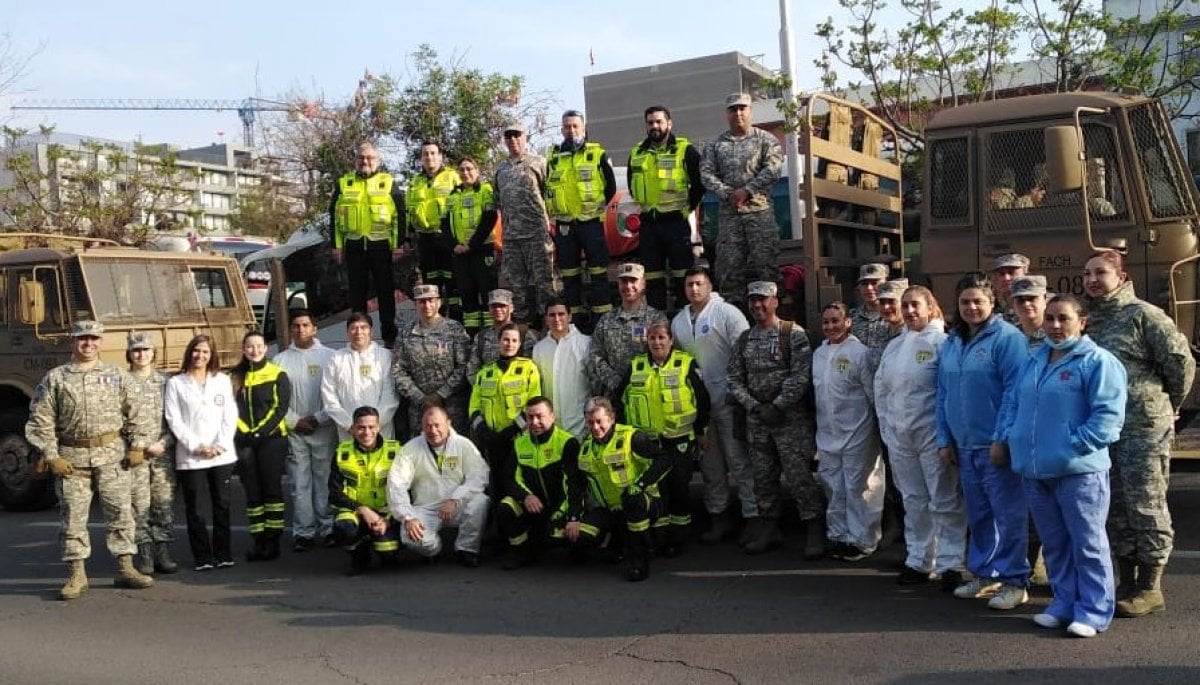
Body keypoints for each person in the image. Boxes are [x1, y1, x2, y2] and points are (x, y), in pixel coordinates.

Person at [994, 294, 1128, 638]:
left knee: (1087, 543)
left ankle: (1094, 611)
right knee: (1054, 543)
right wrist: (1009, 437)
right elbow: (1013, 401)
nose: (1054, 326)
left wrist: (1073, 446)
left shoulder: (1097, 361)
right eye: (1050, 318)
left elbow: (1108, 417)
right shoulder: (1035, 359)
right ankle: (1063, 603)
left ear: (1082, 322)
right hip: (1035, 471)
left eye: (1063, 318)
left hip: (1077, 472)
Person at [1084, 250, 1196, 617]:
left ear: (1121, 276)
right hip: (1105, 431)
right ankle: (1127, 579)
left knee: (1146, 504)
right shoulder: (1088, 321)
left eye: (1101, 273)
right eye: (1087, 275)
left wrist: (1167, 403)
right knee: (1114, 507)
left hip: (1143, 427)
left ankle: (1150, 586)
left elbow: (1180, 362)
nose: (1092, 280)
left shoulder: (1143, 316)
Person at [27, 321, 154, 599]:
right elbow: (40, 420)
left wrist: (138, 446)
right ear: (73, 341)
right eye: (83, 339)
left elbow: (137, 411)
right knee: (73, 517)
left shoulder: (117, 375)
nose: (88, 344)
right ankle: (76, 574)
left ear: (101, 342)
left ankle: (125, 568)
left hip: (112, 456)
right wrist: (51, 456)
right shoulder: (56, 378)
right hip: (72, 460)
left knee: (121, 513)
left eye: (93, 339)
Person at [937, 273, 1030, 610]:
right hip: (964, 446)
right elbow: (943, 393)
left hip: (995, 446)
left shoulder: (1007, 340)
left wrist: (1001, 438)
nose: (972, 307)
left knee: (1008, 515)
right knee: (978, 515)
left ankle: (1015, 581)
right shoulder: (953, 342)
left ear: (993, 303)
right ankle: (985, 573)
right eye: (965, 301)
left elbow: (1014, 394)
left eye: (979, 300)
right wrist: (943, 437)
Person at [876, 286, 967, 586]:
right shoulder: (895, 346)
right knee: (913, 499)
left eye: (915, 305)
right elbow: (883, 390)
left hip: (932, 435)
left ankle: (951, 563)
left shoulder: (943, 343)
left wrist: (947, 437)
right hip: (901, 437)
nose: (909, 311)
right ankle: (918, 559)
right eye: (905, 306)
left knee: (943, 499)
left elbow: (950, 393)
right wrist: (888, 429)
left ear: (930, 307)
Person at [728, 281, 823, 558]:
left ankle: (814, 529)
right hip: (758, 421)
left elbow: (801, 375)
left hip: (789, 420)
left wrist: (779, 405)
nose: (757, 305)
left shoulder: (792, 334)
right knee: (763, 478)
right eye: (752, 301)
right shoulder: (745, 339)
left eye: (763, 300)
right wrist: (755, 407)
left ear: (775, 302)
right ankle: (769, 529)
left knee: (799, 476)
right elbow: (734, 378)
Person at [670, 265, 757, 545]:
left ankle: (753, 518)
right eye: (689, 285)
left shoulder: (727, 313)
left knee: (739, 461)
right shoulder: (679, 321)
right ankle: (719, 517)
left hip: (728, 400)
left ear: (710, 286)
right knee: (710, 464)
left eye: (699, 283)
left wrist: (739, 392)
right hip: (699, 406)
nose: (694, 289)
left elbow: (745, 350)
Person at [617, 322, 710, 557]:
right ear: (647, 341)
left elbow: (702, 399)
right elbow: (619, 400)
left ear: (670, 340)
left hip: (677, 440)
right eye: (652, 338)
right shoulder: (636, 366)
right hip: (647, 443)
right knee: (656, 489)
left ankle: (678, 538)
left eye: (661, 338)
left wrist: (701, 432)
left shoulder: (685, 363)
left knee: (679, 487)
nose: (657, 343)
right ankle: (659, 537)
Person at [813, 302, 885, 561]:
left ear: (848, 322)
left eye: (836, 321)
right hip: (828, 434)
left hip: (858, 433)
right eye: (826, 322)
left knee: (859, 488)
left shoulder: (859, 353)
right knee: (833, 486)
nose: (831, 326)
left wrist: (877, 428)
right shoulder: (819, 354)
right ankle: (838, 535)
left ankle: (862, 540)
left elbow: (872, 393)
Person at [571, 397, 671, 581]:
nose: (595, 427)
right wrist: (574, 517)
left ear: (612, 418)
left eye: (599, 421)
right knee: (579, 539)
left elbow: (664, 460)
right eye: (590, 422)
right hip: (611, 510)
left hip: (643, 504)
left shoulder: (631, 437)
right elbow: (577, 485)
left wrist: (641, 484)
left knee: (633, 503)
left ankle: (639, 561)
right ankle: (618, 545)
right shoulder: (585, 447)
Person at [699, 92, 783, 310]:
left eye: (742, 108)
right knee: (729, 270)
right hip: (730, 217)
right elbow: (706, 174)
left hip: (760, 214)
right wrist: (728, 192)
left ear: (750, 111)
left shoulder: (766, 140)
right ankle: (733, 318)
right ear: (727, 114)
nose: (738, 113)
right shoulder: (715, 145)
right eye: (733, 109)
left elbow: (773, 168)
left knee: (766, 267)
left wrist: (748, 190)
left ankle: (772, 315)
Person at [164, 334, 239, 571]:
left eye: (205, 352)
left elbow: (230, 415)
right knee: (195, 509)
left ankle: (223, 554)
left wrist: (219, 445)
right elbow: (173, 418)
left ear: (212, 355)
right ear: (189, 353)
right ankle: (203, 557)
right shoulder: (176, 383)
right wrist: (197, 446)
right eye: (196, 351)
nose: (200, 356)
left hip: (221, 454)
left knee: (222, 505)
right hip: (191, 456)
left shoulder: (222, 380)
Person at [387, 406, 490, 567]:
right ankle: (433, 550)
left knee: (480, 501)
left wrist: (455, 499)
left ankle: (466, 549)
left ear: (448, 423)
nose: (433, 430)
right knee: (410, 536)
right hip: (426, 508)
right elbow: (396, 484)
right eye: (428, 426)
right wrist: (407, 517)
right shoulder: (410, 449)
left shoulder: (464, 445)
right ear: (422, 426)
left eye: (437, 425)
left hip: (456, 505)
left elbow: (479, 475)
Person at [628, 105, 705, 314]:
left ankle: (685, 320)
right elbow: (630, 183)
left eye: (659, 122)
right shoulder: (637, 152)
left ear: (669, 124)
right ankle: (657, 323)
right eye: (650, 122)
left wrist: (687, 207)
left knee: (683, 278)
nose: (654, 126)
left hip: (675, 224)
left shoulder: (684, 150)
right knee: (652, 279)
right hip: (649, 226)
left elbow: (699, 184)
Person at [546, 109, 617, 330]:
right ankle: (573, 321)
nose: (571, 130)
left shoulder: (597, 154)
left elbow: (610, 187)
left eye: (575, 126)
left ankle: (601, 320)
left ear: (583, 128)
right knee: (569, 275)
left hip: (591, 222)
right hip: (565, 225)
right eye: (567, 126)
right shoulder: (554, 157)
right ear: (561, 129)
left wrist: (594, 210)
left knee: (598, 272)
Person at [273, 309, 338, 551]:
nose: (301, 330)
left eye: (305, 325)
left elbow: (334, 395)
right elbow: (276, 401)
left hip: (324, 428)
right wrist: (294, 421)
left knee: (324, 480)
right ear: (291, 330)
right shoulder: (280, 361)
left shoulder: (331, 357)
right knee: (299, 483)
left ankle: (328, 527)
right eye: (296, 326)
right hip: (295, 432)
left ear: (314, 328)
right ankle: (304, 532)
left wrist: (319, 418)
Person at [330, 141, 405, 347]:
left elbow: (400, 215)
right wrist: (336, 245)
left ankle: (389, 337)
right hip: (354, 246)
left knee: (385, 293)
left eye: (370, 158)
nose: (365, 161)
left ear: (378, 161)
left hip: (381, 245)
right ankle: (360, 336)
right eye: (361, 158)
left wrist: (398, 244)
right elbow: (334, 217)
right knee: (357, 295)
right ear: (356, 160)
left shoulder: (388, 182)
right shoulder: (345, 183)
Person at [495, 396, 584, 569]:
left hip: (560, 508)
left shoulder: (567, 443)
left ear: (552, 416)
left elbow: (575, 484)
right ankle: (521, 551)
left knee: (569, 545)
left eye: (540, 416)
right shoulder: (519, 444)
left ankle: (552, 542)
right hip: (533, 506)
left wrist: (572, 516)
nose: (534, 422)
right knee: (505, 508)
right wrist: (525, 496)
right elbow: (508, 478)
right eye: (530, 417)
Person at [230, 331, 291, 562]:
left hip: (272, 440)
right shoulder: (234, 376)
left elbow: (280, 408)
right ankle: (259, 540)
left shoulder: (277, 374)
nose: (254, 350)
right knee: (252, 492)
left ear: (266, 348)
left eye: (258, 346)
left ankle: (273, 541)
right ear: (244, 349)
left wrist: (261, 432)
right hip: (244, 440)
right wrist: (245, 431)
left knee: (272, 489)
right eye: (249, 347)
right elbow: (229, 408)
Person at [124, 332, 179, 575]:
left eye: (146, 350)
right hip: (135, 454)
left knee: (163, 503)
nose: (141, 354)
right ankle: (145, 554)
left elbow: (177, 420)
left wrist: (164, 443)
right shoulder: (121, 382)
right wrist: (133, 445)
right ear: (130, 354)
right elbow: (115, 419)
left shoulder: (167, 382)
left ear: (153, 353)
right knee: (139, 505)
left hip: (162, 452)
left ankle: (163, 553)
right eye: (136, 351)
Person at [494, 120, 557, 325]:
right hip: (512, 238)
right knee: (517, 287)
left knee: (544, 283)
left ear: (525, 136)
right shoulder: (500, 169)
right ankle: (523, 329)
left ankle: (548, 326)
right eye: (508, 136)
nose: (513, 140)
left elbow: (552, 195)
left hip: (536, 234)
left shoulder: (539, 162)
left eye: (517, 135)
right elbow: (497, 201)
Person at [329, 406, 403, 575]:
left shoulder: (396, 451)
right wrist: (362, 509)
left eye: (371, 427)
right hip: (355, 512)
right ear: (353, 428)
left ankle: (386, 549)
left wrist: (388, 520)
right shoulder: (342, 453)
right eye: (361, 427)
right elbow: (334, 494)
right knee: (343, 528)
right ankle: (359, 555)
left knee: (388, 550)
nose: (366, 432)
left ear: (379, 427)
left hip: (387, 513)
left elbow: (408, 490)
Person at [469, 323, 542, 488]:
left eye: (514, 340)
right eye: (506, 340)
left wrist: (512, 430)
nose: (509, 344)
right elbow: (474, 408)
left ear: (519, 344)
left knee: (522, 484)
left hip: (520, 438)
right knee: (498, 486)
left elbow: (535, 402)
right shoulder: (484, 373)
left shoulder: (529, 368)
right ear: (498, 342)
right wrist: (484, 432)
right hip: (492, 441)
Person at [392, 284, 472, 436]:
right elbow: (398, 370)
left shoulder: (454, 329)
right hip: (420, 409)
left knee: (455, 452)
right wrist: (421, 398)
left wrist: (440, 394)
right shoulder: (406, 333)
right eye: (422, 301)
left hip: (452, 406)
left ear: (439, 303)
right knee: (422, 454)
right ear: (415, 304)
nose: (427, 305)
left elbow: (464, 366)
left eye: (431, 300)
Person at [586, 262, 668, 400]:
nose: (628, 286)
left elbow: (664, 355)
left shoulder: (656, 319)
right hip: (614, 395)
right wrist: (615, 382)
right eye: (624, 281)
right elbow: (595, 356)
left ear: (643, 283)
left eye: (633, 280)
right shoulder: (606, 320)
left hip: (649, 393)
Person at [321, 313, 400, 441]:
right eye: (354, 328)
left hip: (380, 430)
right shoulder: (336, 359)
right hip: (349, 432)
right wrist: (349, 425)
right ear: (347, 332)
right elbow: (329, 395)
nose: (359, 332)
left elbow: (390, 394)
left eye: (363, 327)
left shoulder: (385, 356)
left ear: (371, 331)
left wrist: (375, 425)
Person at [443, 156, 499, 335]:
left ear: (477, 171)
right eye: (461, 170)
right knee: (467, 296)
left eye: (469, 169)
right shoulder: (452, 195)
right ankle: (472, 336)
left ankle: (491, 335)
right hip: (459, 253)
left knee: (487, 293)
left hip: (481, 250)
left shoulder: (485, 190)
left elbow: (489, 219)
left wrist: (472, 245)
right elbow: (444, 223)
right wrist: (454, 246)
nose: (465, 173)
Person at [408, 141, 462, 315]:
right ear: (421, 158)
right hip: (425, 239)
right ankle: (436, 322)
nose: (429, 157)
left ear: (440, 156)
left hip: (448, 237)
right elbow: (409, 209)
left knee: (453, 282)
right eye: (425, 154)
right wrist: (408, 237)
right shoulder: (415, 182)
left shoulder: (453, 176)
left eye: (432, 153)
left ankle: (455, 322)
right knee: (432, 285)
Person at [532, 298, 593, 438]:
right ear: (546, 319)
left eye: (561, 314)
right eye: (552, 315)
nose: (557, 318)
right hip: (552, 427)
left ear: (569, 316)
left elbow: (594, 383)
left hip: (580, 424)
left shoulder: (586, 344)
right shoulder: (539, 349)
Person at [467, 289, 538, 382]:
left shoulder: (523, 333)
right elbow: (472, 369)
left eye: (502, 306)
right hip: (489, 391)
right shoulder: (481, 337)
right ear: (489, 309)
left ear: (511, 308)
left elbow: (533, 368)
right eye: (494, 306)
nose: (497, 309)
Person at [849, 263, 891, 358]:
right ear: (858, 287)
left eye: (875, 283)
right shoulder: (851, 317)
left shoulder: (895, 317)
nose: (869, 288)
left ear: (886, 284)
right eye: (864, 284)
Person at [1011, 275, 1049, 348]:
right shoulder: (1009, 335)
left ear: (1045, 300)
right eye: (1020, 300)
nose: (1026, 304)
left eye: (1032, 298)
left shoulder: (1054, 333)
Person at [992, 253, 1030, 324]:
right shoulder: (991, 305)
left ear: (1025, 274)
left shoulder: (1040, 303)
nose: (1006, 278)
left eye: (1011, 273)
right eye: (1001, 274)